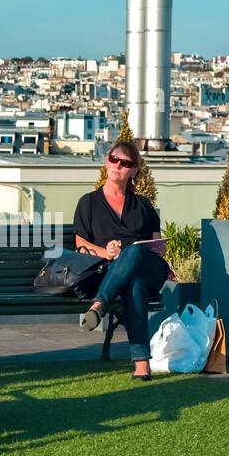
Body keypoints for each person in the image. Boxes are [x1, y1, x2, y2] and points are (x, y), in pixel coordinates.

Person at [72, 140, 169, 381]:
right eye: (114, 159)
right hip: (111, 270)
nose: (118, 166)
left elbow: (156, 244)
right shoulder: (89, 203)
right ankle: (141, 363)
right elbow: (80, 244)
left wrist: (129, 251)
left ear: (135, 170)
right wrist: (107, 252)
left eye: (126, 163)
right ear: (107, 162)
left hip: (149, 268)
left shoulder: (143, 205)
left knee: (134, 254)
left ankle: (99, 306)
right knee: (132, 284)